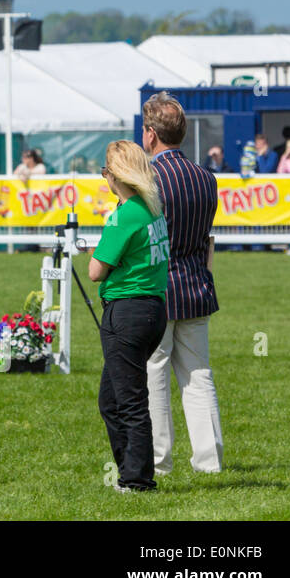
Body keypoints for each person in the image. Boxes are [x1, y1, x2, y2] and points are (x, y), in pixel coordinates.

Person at [141, 91, 223, 476]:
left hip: (157, 287)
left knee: (153, 372)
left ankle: (158, 461)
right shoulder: (207, 178)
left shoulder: (150, 179)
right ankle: (210, 460)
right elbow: (206, 237)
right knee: (198, 375)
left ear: (151, 134)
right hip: (196, 285)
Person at [88, 140, 169, 492]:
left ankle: (137, 480)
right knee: (112, 399)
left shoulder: (124, 215)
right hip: (153, 308)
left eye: (106, 171)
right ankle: (130, 471)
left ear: (115, 175)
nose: (104, 178)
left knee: (130, 401)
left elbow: (95, 271)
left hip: (127, 311)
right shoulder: (153, 208)